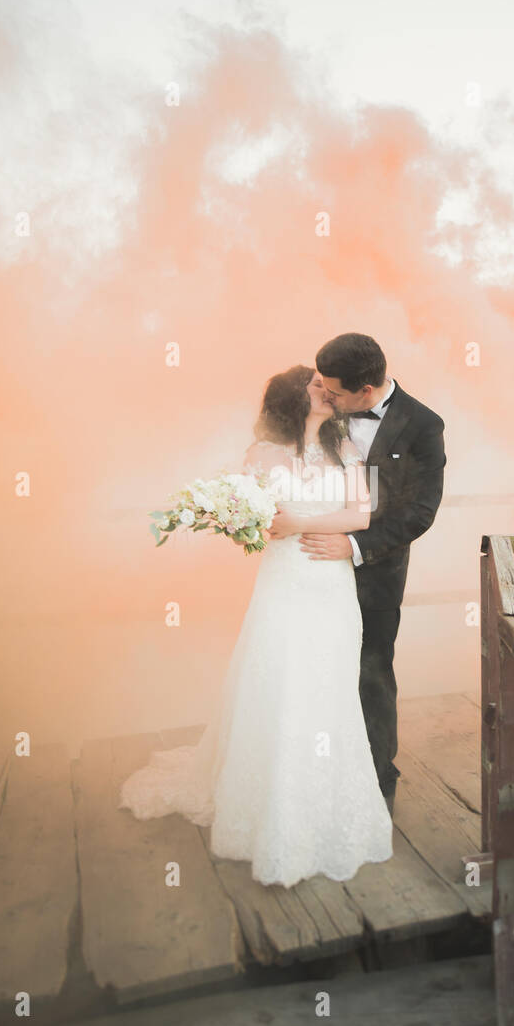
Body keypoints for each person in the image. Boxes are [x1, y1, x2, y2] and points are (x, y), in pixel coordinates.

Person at [118, 364, 393, 888]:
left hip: (331, 585)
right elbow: (251, 519)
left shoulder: (348, 450)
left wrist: (302, 524)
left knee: (327, 686)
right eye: (316, 386)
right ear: (294, 397)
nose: (327, 392)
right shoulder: (262, 456)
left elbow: (360, 516)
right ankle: (269, 814)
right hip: (284, 583)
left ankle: (324, 806)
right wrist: (252, 521)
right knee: (281, 681)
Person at [307, 334, 446, 814]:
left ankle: (376, 780)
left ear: (366, 390)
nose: (327, 397)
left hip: (375, 575)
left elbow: (420, 512)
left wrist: (353, 546)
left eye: (336, 392)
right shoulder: (322, 409)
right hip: (310, 569)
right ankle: (313, 770)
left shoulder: (423, 424)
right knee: (314, 667)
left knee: (372, 675)